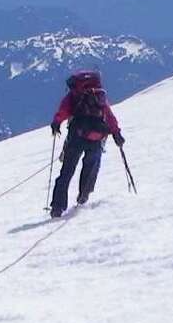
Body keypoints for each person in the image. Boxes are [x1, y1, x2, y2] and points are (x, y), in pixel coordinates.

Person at [50, 71, 124, 217]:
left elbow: (63, 110)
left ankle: (57, 207)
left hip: (76, 137)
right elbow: (109, 115)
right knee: (91, 167)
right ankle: (83, 195)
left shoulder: (73, 96)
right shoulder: (99, 96)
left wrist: (56, 122)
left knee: (66, 171)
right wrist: (116, 133)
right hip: (96, 138)